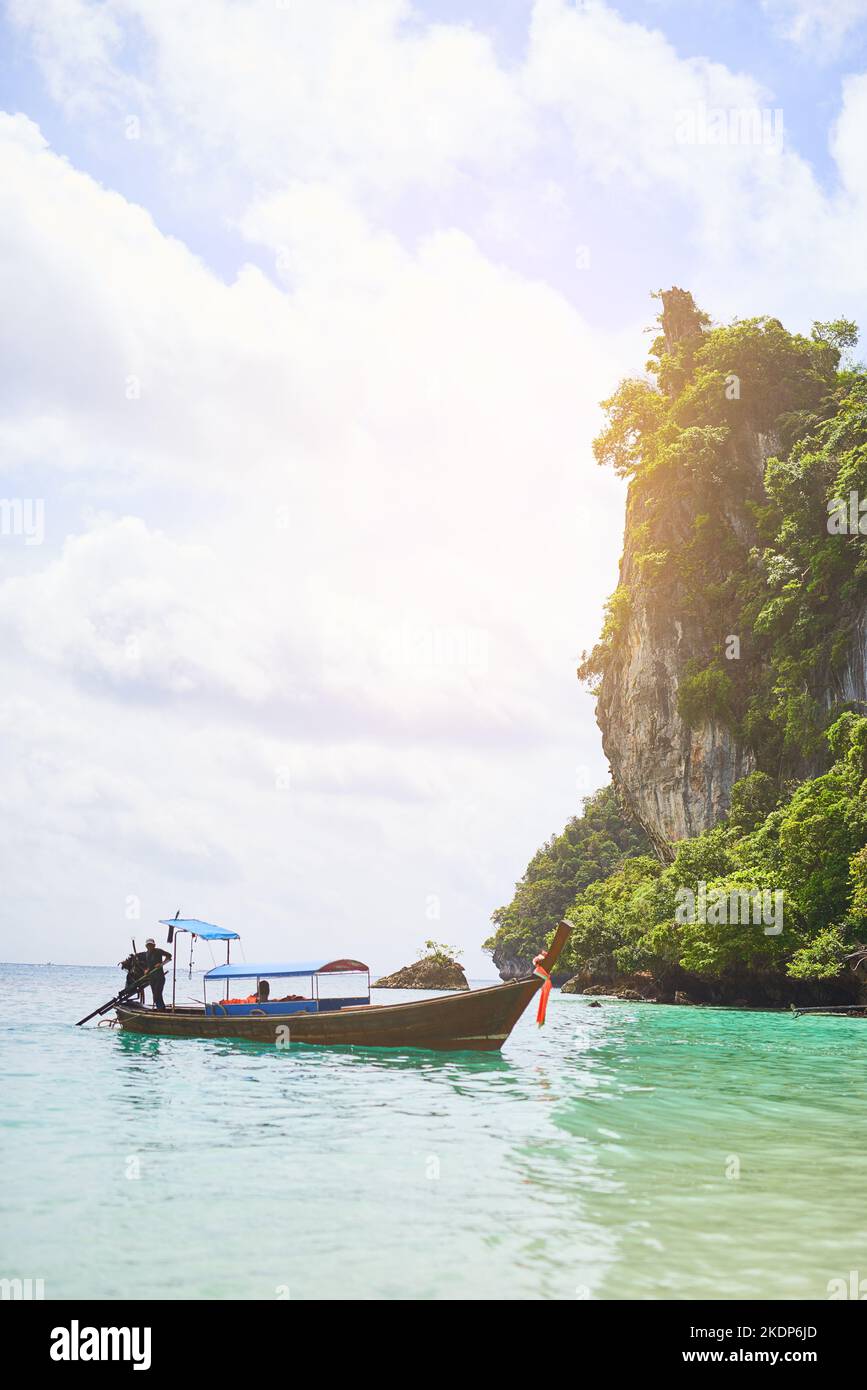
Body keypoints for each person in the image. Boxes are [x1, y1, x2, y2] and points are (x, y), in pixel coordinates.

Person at [142, 937, 172, 1011]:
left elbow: (169, 956)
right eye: (148, 945)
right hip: (152, 977)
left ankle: (161, 1009)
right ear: (146, 946)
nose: (150, 946)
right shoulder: (147, 954)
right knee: (155, 995)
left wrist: (161, 964)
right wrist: (146, 970)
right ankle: (161, 1008)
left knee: (157, 994)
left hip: (160, 977)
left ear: (154, 945)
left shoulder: (158, 951)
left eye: (151, 945)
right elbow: (149, 966)